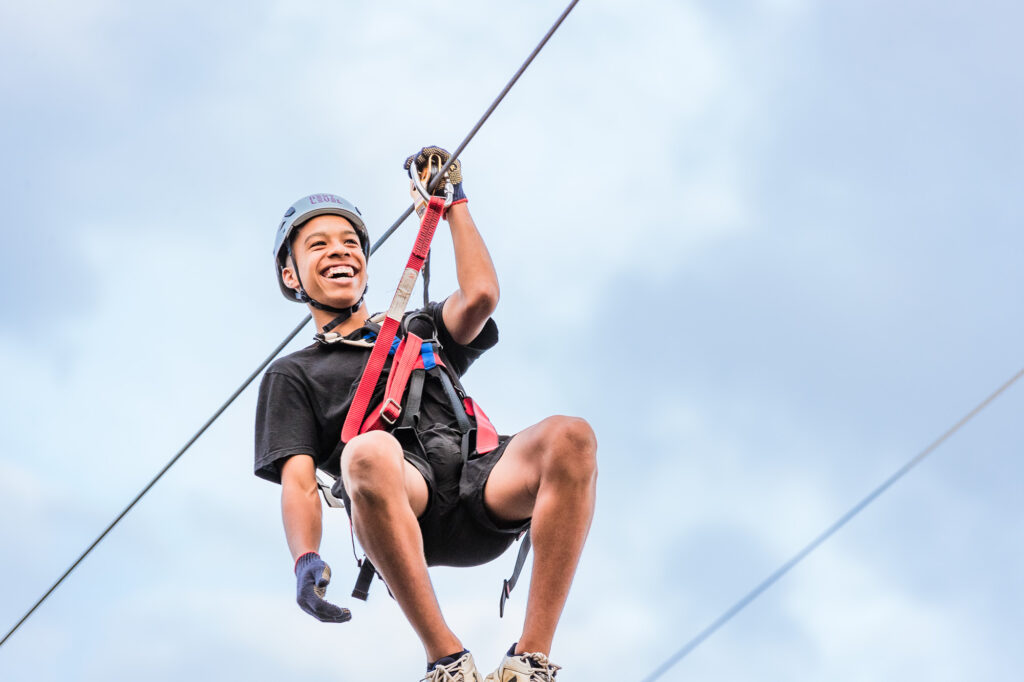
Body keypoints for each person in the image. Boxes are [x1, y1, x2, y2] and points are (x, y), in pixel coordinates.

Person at [254, 148, 597, 681]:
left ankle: (530, 661)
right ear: (291, 275)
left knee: (572, 436)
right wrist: (305, 557)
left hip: (481, 482)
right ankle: (447, 661)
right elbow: (298, 483)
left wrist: (451, 202)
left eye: (349, 243)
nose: (338, 251)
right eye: (316, 245)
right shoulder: (295, 374)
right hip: (402, 505)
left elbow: (481, 295)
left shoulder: (419, 331)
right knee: (368, 451)